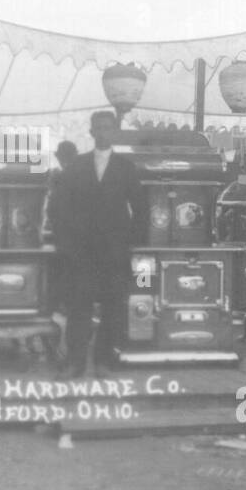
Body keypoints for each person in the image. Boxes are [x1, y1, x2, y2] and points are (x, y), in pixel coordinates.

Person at [53, 113, 146, 378]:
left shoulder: (126, 168)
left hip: (114, 255)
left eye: (109, 128)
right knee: (79, 309)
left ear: (115, 132)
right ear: (92, 131)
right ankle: (75, 363)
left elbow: (141, 209)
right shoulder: (77, 166)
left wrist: (129, 245)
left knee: (112, 310)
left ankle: (103, 361)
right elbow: (58, 208)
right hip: (82, 254)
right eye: (99, 128)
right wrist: (66, 244)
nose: (104, 133)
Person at [43, 140, 79, 313]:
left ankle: (59, 303)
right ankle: (63, 302)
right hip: (69, 235)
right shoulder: (60, 176)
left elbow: (52, 208)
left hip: (67, 236)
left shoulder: (62, 177)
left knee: (61, 268)